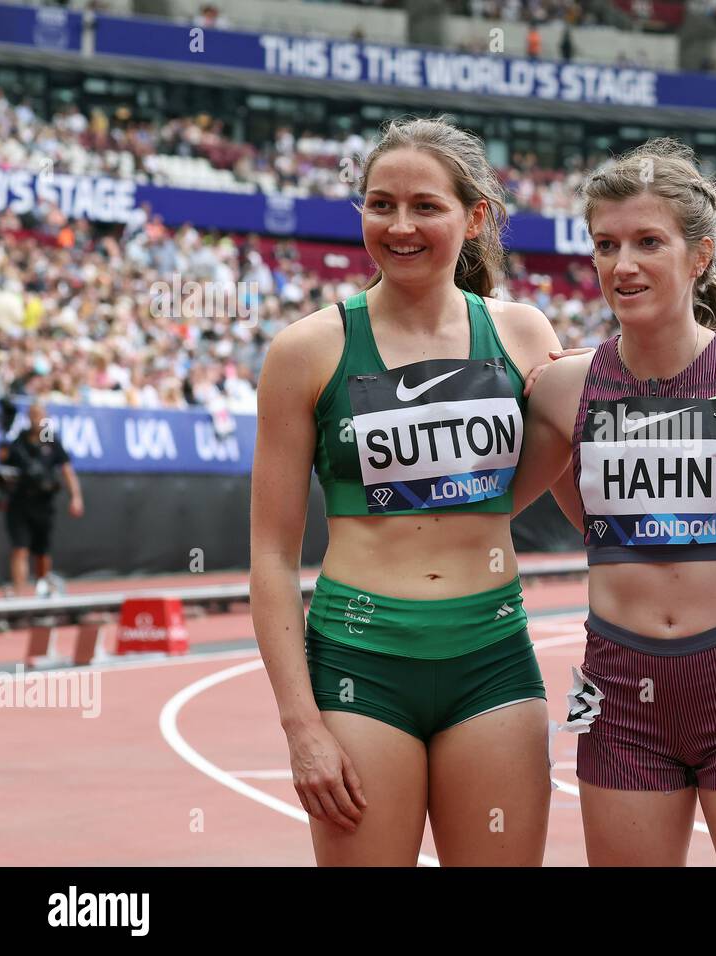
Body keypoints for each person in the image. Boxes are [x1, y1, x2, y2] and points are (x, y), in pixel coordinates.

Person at [250, 117, 563, 866]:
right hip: (360, 661)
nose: (400, 225)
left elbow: (602, 473)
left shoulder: (523, 335)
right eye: (379, 204)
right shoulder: (307, 351)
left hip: (492, 660)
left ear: (474, 216)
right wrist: (300, 726)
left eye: (426, 205)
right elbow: (268, 552)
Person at [514, 140, 716, 866]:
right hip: (621, 690)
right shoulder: (561, 392)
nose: (622, 265)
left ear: (700, 255)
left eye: (648, 242)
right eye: (606, 244)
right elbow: (503, 506)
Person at [1, 402, 83, 597]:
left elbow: (67, 470)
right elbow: (5, 466)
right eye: (32, 415)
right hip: (20, 502)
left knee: (42, 551)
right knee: (20, 548)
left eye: (39, 415)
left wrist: (76, 497)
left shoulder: (50, 440)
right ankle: (19, 594)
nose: (35, 419)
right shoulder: (18, 440)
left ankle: (42, 590)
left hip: (43, 503)